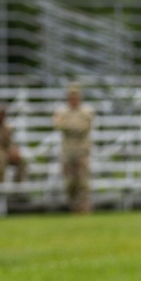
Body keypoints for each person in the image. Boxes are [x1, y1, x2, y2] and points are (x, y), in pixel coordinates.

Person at [53, 83, 94, 213]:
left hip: (82, 151)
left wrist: (68, 126)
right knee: (70, 181)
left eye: (76, 96)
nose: (73, 99)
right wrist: (72, 126)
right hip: (68, 150)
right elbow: (58, 125)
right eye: (71, 96)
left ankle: (84, 206)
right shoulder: (62, 111)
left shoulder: (86, 111)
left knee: (83, 180)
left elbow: (84, 127)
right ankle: (72, 206)